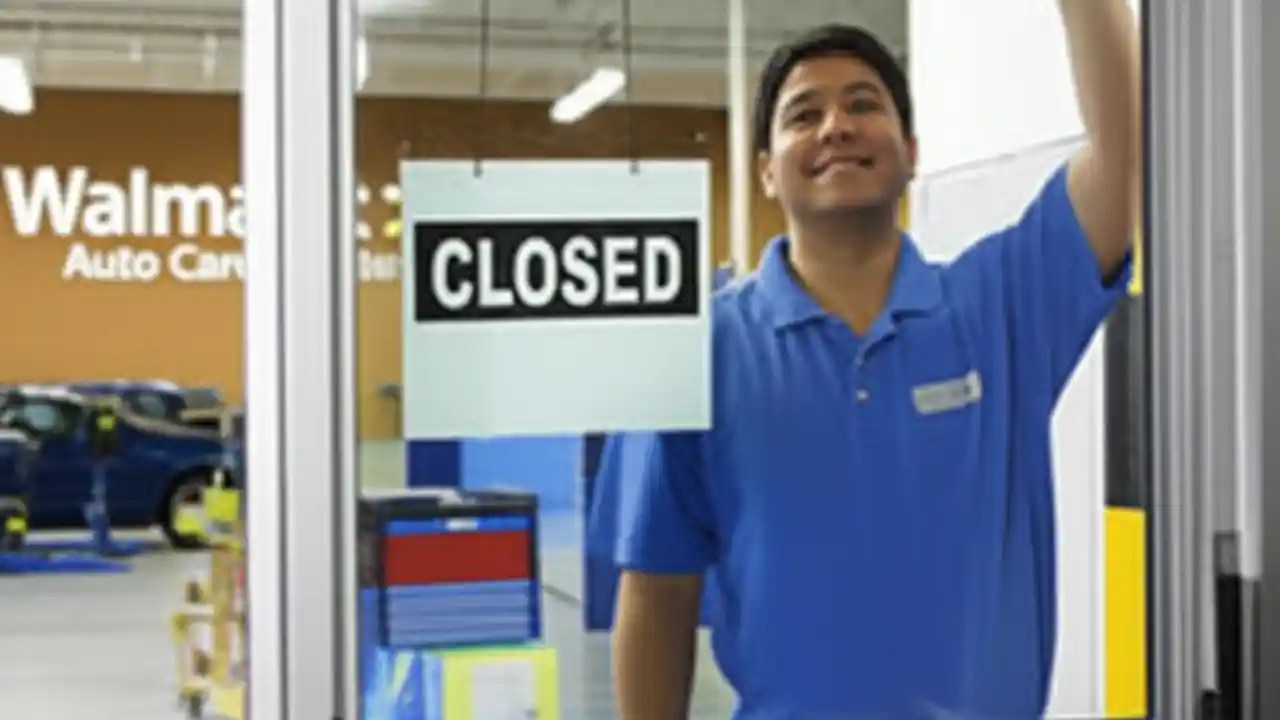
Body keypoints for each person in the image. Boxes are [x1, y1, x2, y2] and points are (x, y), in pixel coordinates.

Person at [611, 4, 1141, 719]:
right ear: (766, 172)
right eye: (804, 115)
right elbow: (657, 590)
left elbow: (1124, 153)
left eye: (863, 104)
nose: (836, 126)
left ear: (911, 152)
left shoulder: (999, 308)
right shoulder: (698, 352)